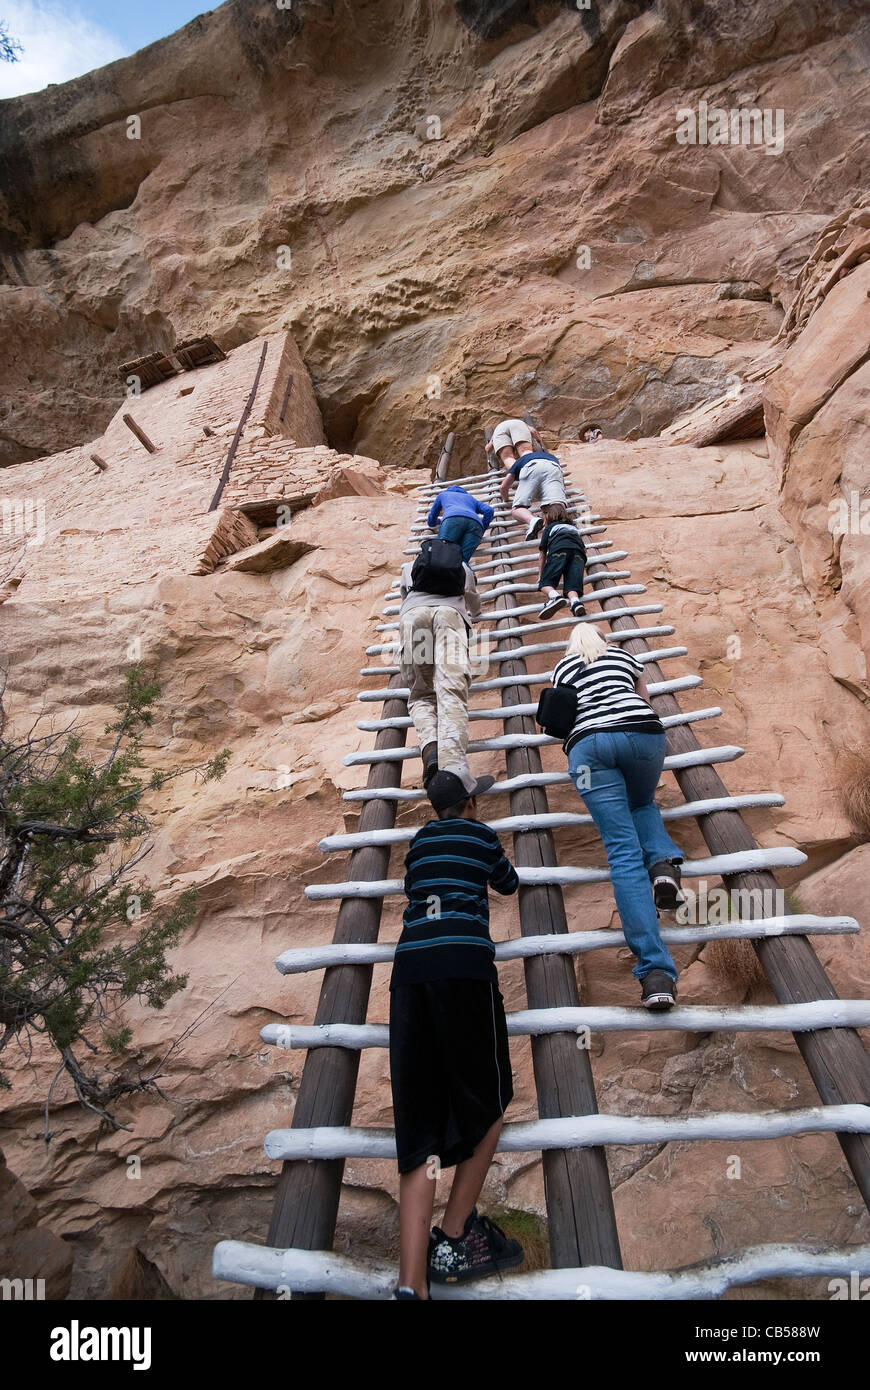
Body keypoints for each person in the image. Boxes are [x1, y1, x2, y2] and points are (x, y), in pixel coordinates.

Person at [390, 769, 524, 1299]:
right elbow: (509, 883)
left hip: (410, 977)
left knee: (419, 1125)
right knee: (491, 1099)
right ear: (470, 803)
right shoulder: (482, 836)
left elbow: (412, 885)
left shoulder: (419, 842)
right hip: (464, 972)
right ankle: (454, 1231)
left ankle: (411, 1284)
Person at [552, 623, 684, 1010]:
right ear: (601, 640)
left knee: (622, 853)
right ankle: (662, 865)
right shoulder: (623, 656)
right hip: (641, 733)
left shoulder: (563, 668)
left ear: (572, 645)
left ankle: (655, 973)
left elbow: (561, 719)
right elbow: (645, 699)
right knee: (642, 802)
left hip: (588, 749)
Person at [399, 545, 485, 791]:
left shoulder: (410, 566)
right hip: (449, 616)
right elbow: (470, 594)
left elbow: (405, 596)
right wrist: (475, 613)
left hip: (414, 617)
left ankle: (432, 750)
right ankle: (454, 767)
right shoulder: (462, 566)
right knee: (451, 692)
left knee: (421, 695)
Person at [492, 423, 568, 541]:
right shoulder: (547, 455)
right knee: (557, 504)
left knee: (517, 509)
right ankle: (560, 527)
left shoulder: (520, 462)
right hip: (553, 466)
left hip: (529, 467)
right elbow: (532, 430)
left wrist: (507, 500)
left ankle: (532, 520)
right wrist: (539, 439)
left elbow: (504, 487)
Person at [537, 501, 587, 621]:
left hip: (559, 551)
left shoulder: (550, 528)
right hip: (578, 555)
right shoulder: (573, 528)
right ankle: (575, 603)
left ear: (549, 516)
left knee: (545, 584)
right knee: (572, 586)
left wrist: (541, 575)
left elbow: (542, 554)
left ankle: (555, 597)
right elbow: (584, 549)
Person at [426, 484, 494, 563]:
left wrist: (437, 522)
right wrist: (482, 528)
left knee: (442, 555)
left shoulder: (443, 495)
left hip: (452, 520)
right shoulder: (471, 499)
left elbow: (431, 520)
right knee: (462, 562)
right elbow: (489, 510)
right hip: (475, 524)